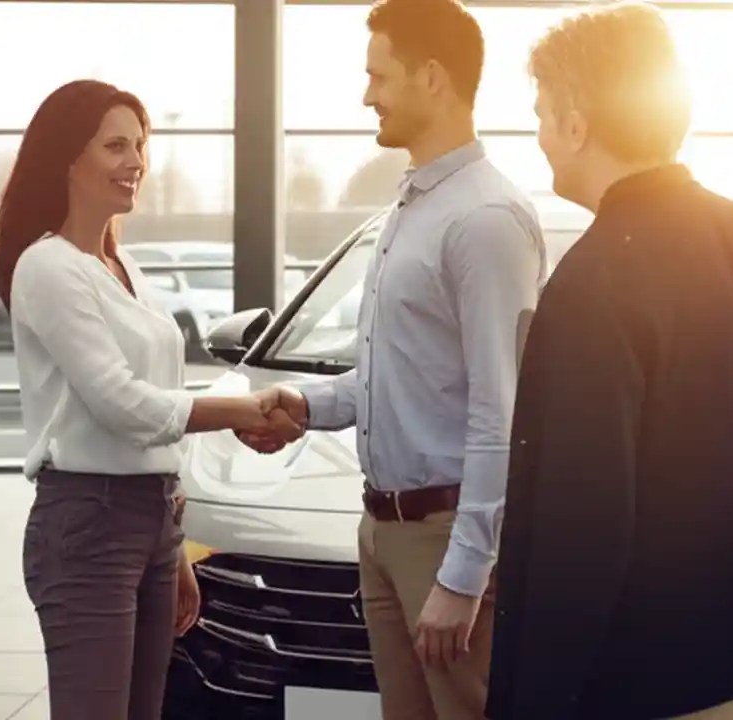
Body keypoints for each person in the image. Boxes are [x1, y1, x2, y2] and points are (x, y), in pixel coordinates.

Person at [484, 3, 733, 719]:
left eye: (543, 114)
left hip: (661, 674)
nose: (541, 138)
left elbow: (583, 520)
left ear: (577, 124)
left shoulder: (595, 281)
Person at [244, 1, 546, 717]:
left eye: (379, 75)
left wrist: (465, 576)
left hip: (442, 538)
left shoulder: (484, 219)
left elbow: (500, 409)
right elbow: (402, 375)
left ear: (433, 77)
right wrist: (310, 405)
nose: (366, 95)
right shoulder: (411, 207)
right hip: (383, 532)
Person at [0, 79, 301, 720]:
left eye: (140, 145)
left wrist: (175, 541)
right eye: (115, 145)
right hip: (88, 523)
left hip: (151, 521)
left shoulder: (124, 267)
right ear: (67, 159)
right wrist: (240, 411)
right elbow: (122, 404)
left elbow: (154, 405)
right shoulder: (47, 267)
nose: (136, 162)